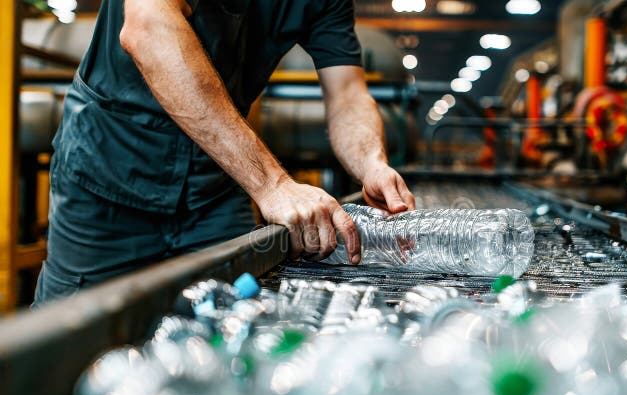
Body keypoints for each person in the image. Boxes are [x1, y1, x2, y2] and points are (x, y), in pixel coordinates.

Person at [34, 0, 415, 305]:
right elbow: (148, 26)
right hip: (109, 176)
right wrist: (273, 184)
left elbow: (347, 92)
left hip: (214, 182)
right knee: (69, 344)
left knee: (233, 327)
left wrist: (372, 163)